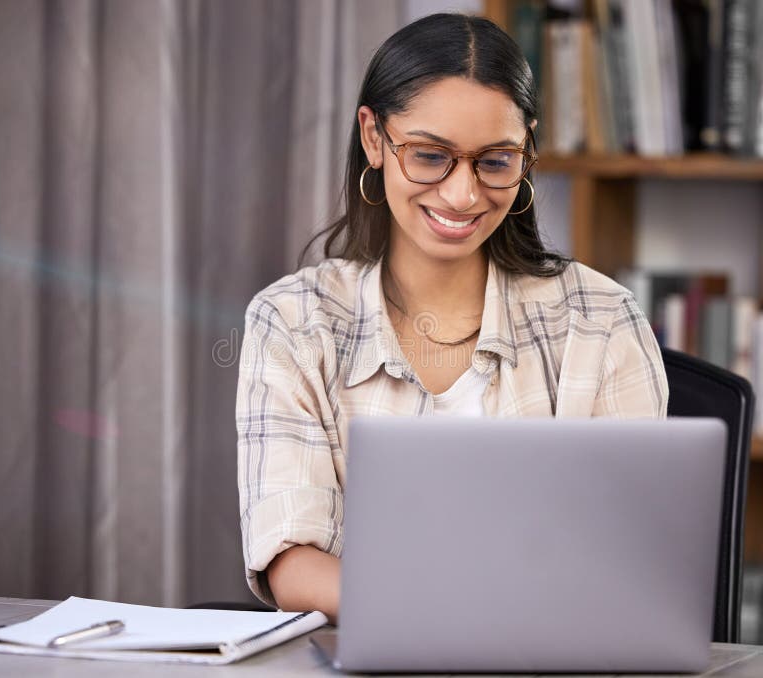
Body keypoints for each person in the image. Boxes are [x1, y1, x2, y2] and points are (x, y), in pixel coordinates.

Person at [236, 13, 668, 623]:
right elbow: (292, 562)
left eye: (495, 161)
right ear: (374, 138)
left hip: (550, 655)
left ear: (526, 152)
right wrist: (454, 613)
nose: (463, 195)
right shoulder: (292, 322)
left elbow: (629, 557)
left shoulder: (602, 322)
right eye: (430, 156)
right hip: (373, 651)